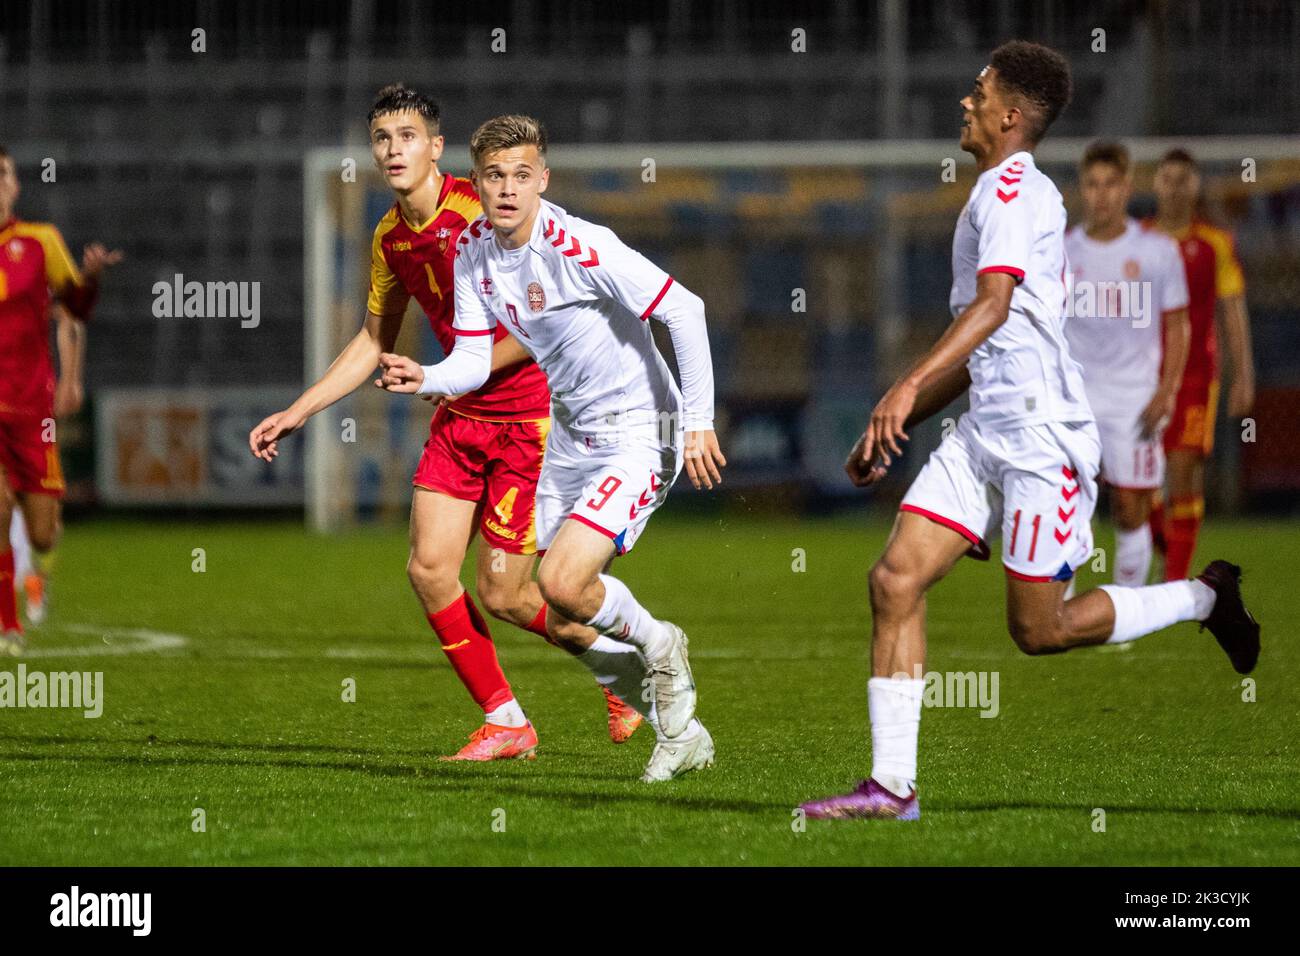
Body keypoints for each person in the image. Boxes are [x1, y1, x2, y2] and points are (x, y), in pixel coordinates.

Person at [799, 42, 1260, 822]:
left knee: (1040, 632)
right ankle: (891, 789)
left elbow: (994, 306)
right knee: (895, 581)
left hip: (1042, 439)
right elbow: (981, 345)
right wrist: (898, 419)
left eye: (977, 91)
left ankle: (1200, 597)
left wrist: (904, 385)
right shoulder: (994, 193)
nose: (964, 102)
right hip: (985, 432)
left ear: (1010, 115)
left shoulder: (1013, 191)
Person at [250, 86, 641, 760]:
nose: (393, 149)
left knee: (505, 594)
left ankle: (622, 668)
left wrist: (455, 370)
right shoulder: (390, 237)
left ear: (435, 147)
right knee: (430, 569)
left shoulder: (482, 213)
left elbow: (547, 317)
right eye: (382, 138)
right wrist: (298, 411)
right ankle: (507, 720)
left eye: (407, 136)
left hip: (527, 422)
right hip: (461, 422)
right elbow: (374, 340)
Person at [376, 114, 727, 782]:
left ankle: (660, 645)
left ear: (543, 180)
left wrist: (697, 423)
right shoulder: (475, 249)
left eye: (521, 175)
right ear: (474, 183)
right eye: (494, 176)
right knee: (529, 599)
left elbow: (684, 309)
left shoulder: (580, 245)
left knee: (563, 581)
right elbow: (475, 361)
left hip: (638, 434)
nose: (508, 189)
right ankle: (681, 733)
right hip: (570, 438)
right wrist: (427, 375)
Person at [0, 148, 120, 655]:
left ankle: (39, 572)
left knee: (43, 533)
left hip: (32, 412)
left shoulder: (39, 240)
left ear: (16, 185)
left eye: (1, 173)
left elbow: (74, 308)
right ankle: (8, 626)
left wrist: (90, 280)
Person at [1063, 140, 1190, 587]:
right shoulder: (1060, 253)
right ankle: (1059, 608)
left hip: (1134, 398)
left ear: (1126, 188)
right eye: (1092, 185)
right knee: (1066, 505)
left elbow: (1178, 325)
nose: (1101, 194)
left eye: (1110, 184)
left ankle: (1125, 613)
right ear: (1083, 189)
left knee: (1131, 508)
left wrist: (1166, 389)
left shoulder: (1157, 251)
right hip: (1073, 399)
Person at [1146, 149, 1255, 581]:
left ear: (1195, 187)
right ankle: (1166, 548)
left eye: (1183, 179)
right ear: (1155, 184)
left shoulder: (1215, 243)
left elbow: (1232, 311)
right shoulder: (1138, 240)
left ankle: (1173, 581)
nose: (1174, 187)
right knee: (1134, 483)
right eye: (1167, 178)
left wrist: (1244, 373)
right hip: (1140, 377)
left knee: (1183, 469)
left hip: (1195, 377)